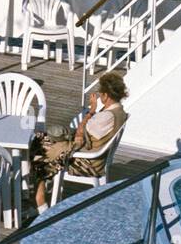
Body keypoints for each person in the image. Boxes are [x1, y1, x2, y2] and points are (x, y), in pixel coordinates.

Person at [30, 70, 128, 210]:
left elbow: (79, 137)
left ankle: (40, 198)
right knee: (42, 140)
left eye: (101, 93)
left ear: (106, 96)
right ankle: (41, 186)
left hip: (87, 162)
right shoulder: (119, 111)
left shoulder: (106, 117)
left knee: (39, 146)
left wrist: (92, 110)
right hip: (94, 154)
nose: (99, 96)